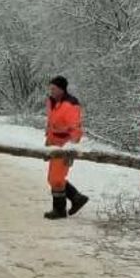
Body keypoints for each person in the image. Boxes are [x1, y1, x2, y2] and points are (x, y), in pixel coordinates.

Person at [44, 76, 89, 220]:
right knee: (52, 178)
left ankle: (59, 210)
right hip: (54, 145)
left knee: (56, 178)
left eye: (54, 88)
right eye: (50, 88)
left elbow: (76, 129)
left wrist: (71, 149)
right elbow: (51, 124)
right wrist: (48, 142)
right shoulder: (51, 103)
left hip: (65, 146)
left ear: (62, 89)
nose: (51, 91)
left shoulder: (70, 105)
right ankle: (76, 198)